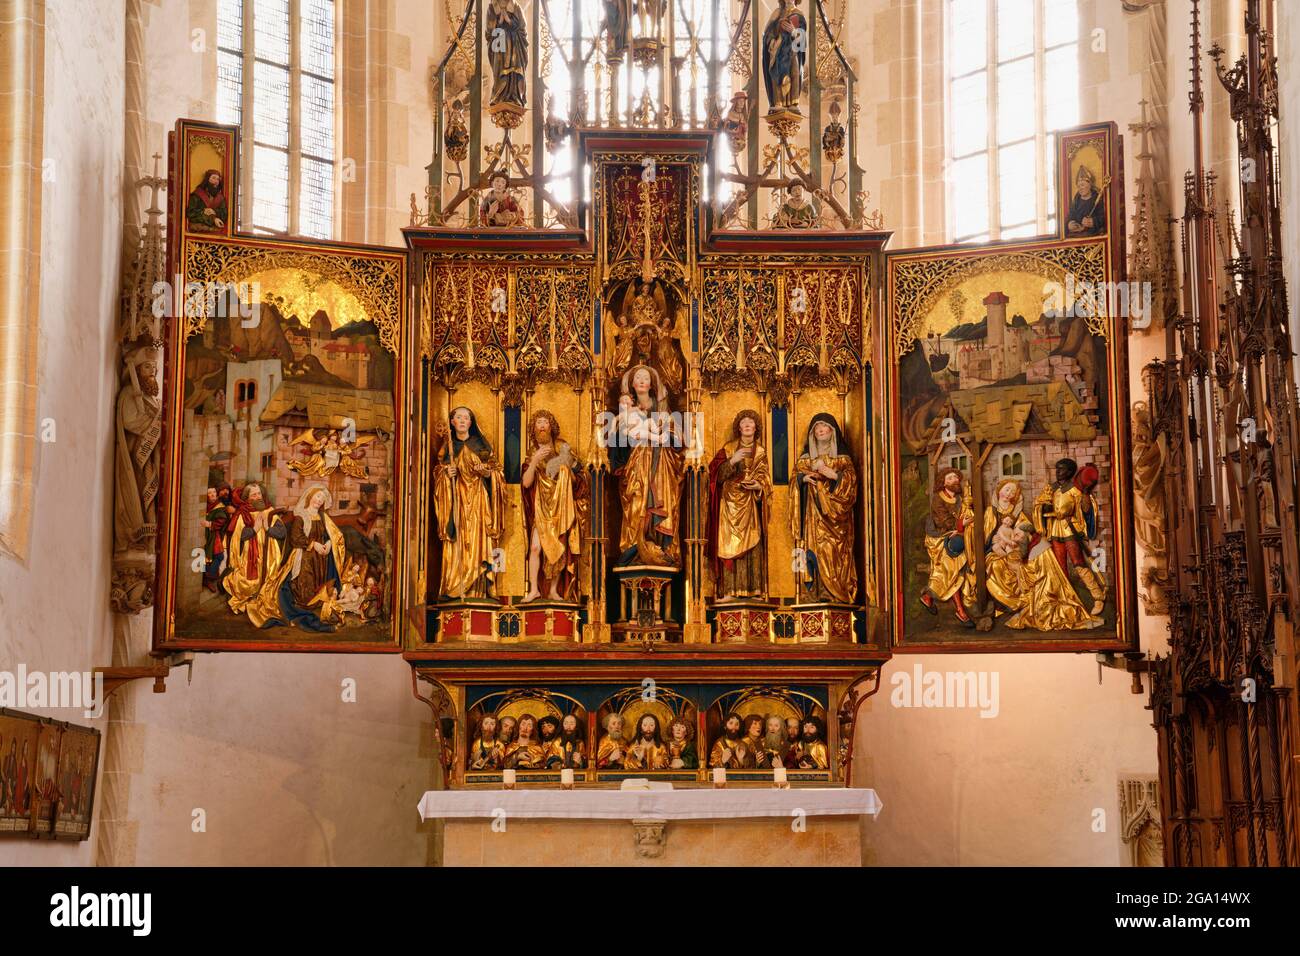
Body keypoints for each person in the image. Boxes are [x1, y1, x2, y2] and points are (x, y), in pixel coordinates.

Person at [610, 365, 685, 568]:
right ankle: (635, 548)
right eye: (638, 378)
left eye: (646, 378)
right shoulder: (627, 409)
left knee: (663, 500)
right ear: (632, 384)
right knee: (637, 502)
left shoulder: (662, 408)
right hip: (637, 462)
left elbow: (677, 437)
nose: (642, 381)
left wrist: (668, 430)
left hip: (661, 463)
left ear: (652, 383)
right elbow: (618, 434)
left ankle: (661, 548)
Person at [432, 406, 505, 599]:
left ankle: (479, 590)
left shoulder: (482, 446)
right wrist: (446, 474)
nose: (463, 420)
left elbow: (498, 474)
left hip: (479, 501)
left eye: (466, 417)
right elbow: (437, 475)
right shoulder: (447, 447)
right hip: (457, 501)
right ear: (452, 422)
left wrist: (487, 473)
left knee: (478, 540)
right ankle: (455, 585)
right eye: (458, 417)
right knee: (458, 538)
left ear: (471, 423)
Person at [790, 414, 858, 603]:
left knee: (832, 550)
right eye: (816, 428)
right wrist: (803, 479)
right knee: (815, 552)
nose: (820, 430)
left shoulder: (842, 459)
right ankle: (816, 592)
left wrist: (834, 476)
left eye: (824, 426)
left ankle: (835, 592)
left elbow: (851, 483)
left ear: (832, 431)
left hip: (836, 519)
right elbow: (793, 481)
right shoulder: (805, 460)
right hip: (813, 516)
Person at [708, 410, 772, 600]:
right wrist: (732, 461)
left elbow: (766, 478)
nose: (747, 425)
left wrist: (759, 485)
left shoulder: (760, 452)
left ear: (756, 428)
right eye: (743, 422)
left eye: (750, 422)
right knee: (728, 545)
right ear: (738, 427)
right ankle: (729, 591)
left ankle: (754, 591)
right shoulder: (728, 448)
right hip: (729, 503)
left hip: (749, 503)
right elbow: (715, 476)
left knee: (753, 543)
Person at [522, 410, 584, 602]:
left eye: (545, 422)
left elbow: (578, 480)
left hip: (560, 507)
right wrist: (535, 461)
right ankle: (533, 589)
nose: (542, 426)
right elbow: (526, 483)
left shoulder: (561, 447)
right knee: (535, 548)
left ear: (551, 427)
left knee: (558, 549)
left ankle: (554, 590)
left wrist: (565, 470)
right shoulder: (532, 454)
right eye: (538, 423)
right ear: (534, 429)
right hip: (541, 507)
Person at [919, 467, 976, 626]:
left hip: (956, 535)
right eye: (950, 478)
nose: (954, 481)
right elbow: (944, 521)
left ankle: (929, 597)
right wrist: (960, 525)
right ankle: (960, 610)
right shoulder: (938, 498)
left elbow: (965, 514)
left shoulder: (960, 498)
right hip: (938, 538)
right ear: (943, 483)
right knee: (951, 568)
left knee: (953, 570)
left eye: (956, 478)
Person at [761, 0, 808, 113]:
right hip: (777, 50)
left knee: (795, 72)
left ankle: (793, 102)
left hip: (792, 50)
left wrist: (793, 31)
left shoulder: (799, 14)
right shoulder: (777, 13)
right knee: (776, 72)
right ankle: (778, 102)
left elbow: (802, 42)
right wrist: (773, 37)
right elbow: (767, 34)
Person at [1066, 165, 1106, 236]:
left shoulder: (1097, 199)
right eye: (1078, 186)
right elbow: (1071, 216)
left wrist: (1093, 221)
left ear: (1090, 185)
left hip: (1094, 234)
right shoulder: (1076, 201)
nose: (1080, 188)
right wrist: (1070, 224)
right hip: (1078, 234)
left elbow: (1104, 217)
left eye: (1082, 185)